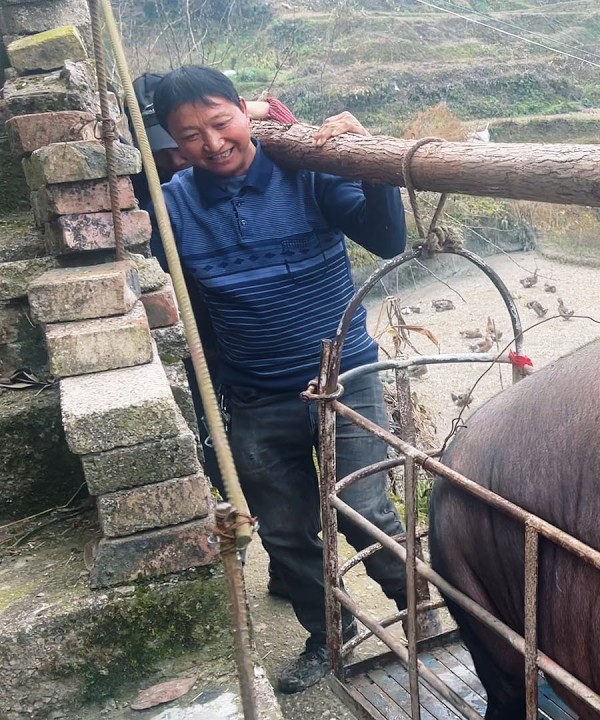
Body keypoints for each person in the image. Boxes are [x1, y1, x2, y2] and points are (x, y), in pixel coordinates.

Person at [150, 65, 411, 693]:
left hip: (347, 379)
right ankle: (329, 634)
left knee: (365, 509)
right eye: (190, 136)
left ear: (247, 111)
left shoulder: (307, 173)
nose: (212, 144)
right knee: (287, 530)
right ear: (171, 142)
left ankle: (429, 612)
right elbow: (180, 304)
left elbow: (387, 237)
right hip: (255, 398)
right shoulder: (172, 209)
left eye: (220, 123)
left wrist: (370, 162)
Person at [130, 70, 300, 601]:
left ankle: (289, 571)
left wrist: (269, 118)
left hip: (257, 347)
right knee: (258, 487)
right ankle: (287, 571)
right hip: (215, 358)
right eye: (178, 145)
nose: (195, 152)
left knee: (336, 498)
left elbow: (275, 142)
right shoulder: (159, 199)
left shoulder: (247, 162)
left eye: (219, 125)